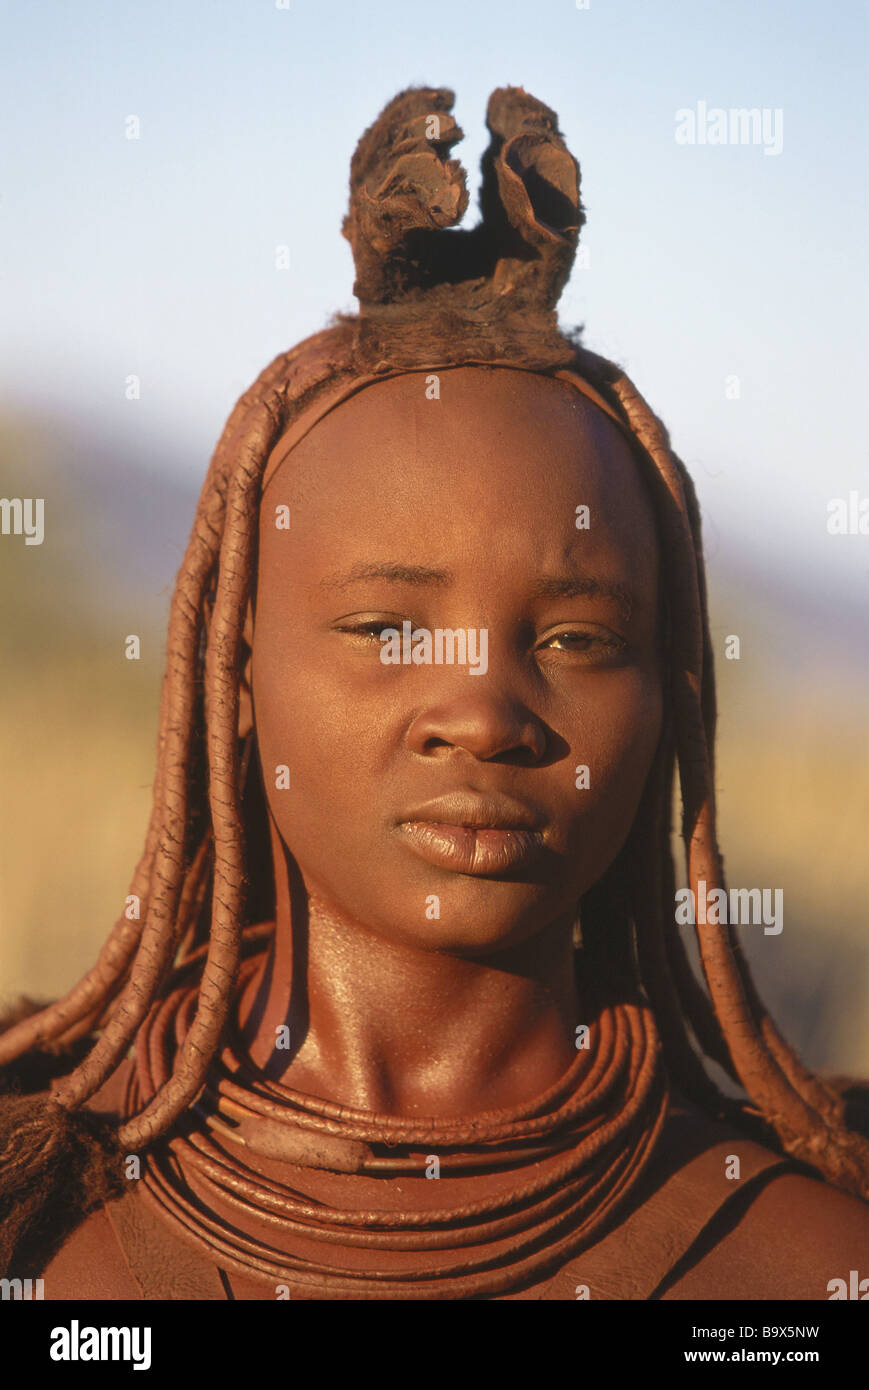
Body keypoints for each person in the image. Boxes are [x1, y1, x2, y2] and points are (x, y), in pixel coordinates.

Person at [1, 84, 867, 1301]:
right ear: (236, 679)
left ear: (668, 701)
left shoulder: (803, 1270)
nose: (481, 711)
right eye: (385, 627)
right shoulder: (42, 1226)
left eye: (574, 638)